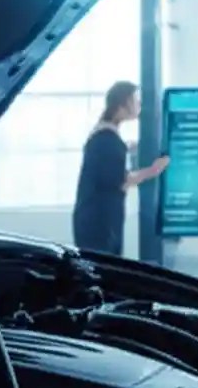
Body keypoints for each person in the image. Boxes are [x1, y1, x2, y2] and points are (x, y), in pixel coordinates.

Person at [71, 80, 169, 256]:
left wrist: (126, 147)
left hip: (98, 220)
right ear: (123, 103)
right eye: (135, 100)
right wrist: (153, 170)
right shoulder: (107, 139)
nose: (139, 104)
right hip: (99, 223)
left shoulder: (106, 135)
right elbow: (120, 180)